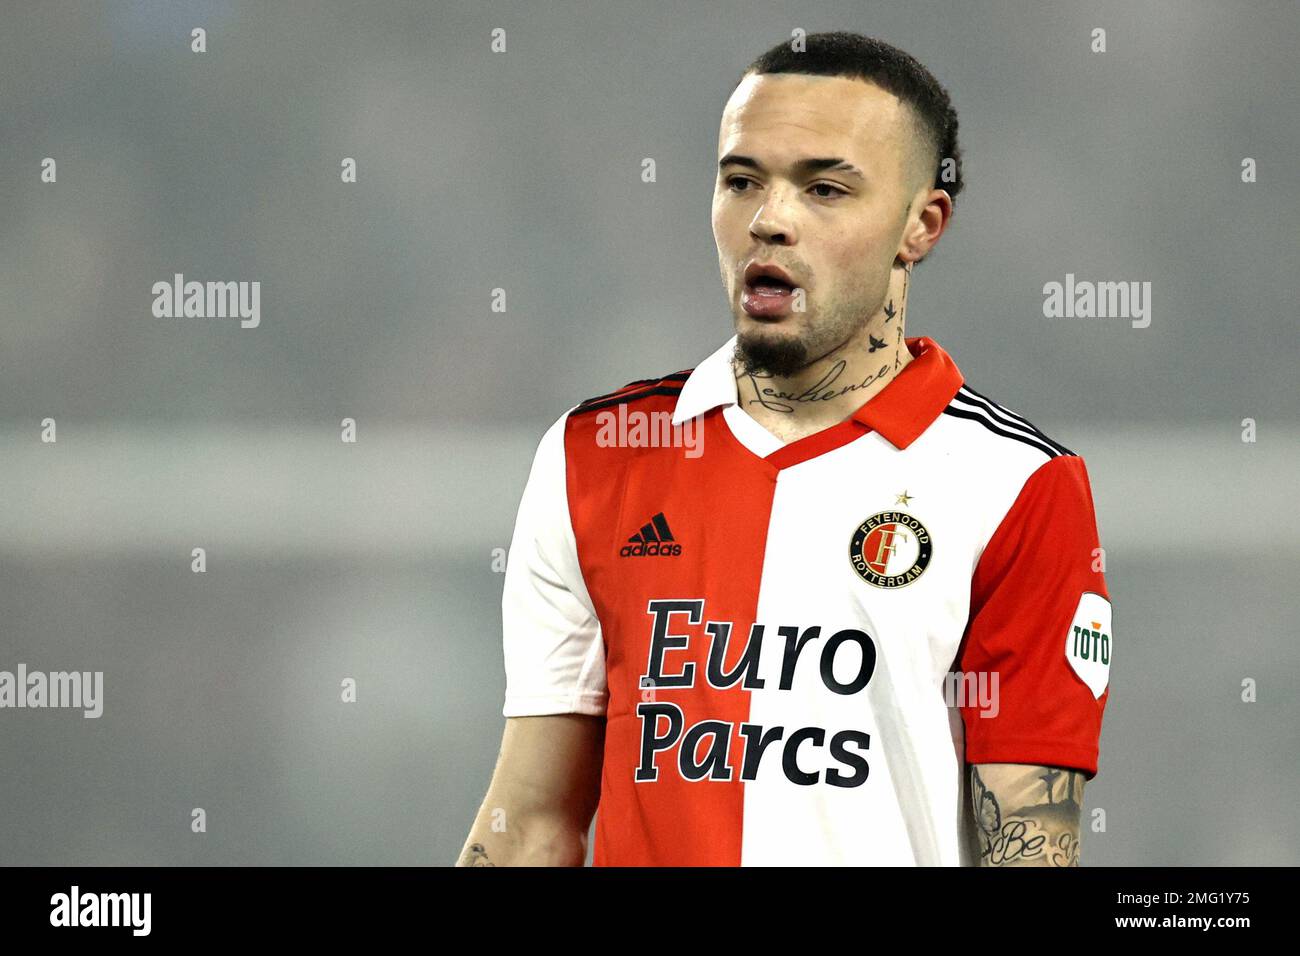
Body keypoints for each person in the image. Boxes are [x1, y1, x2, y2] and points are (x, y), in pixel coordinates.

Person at [458, 31, 1111, 867]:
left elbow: (1029, 849)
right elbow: (532, 827)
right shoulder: (593, 456)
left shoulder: (1018, 486)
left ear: (922, 224)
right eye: (741, 181)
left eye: (825, 189)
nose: (769, 219)